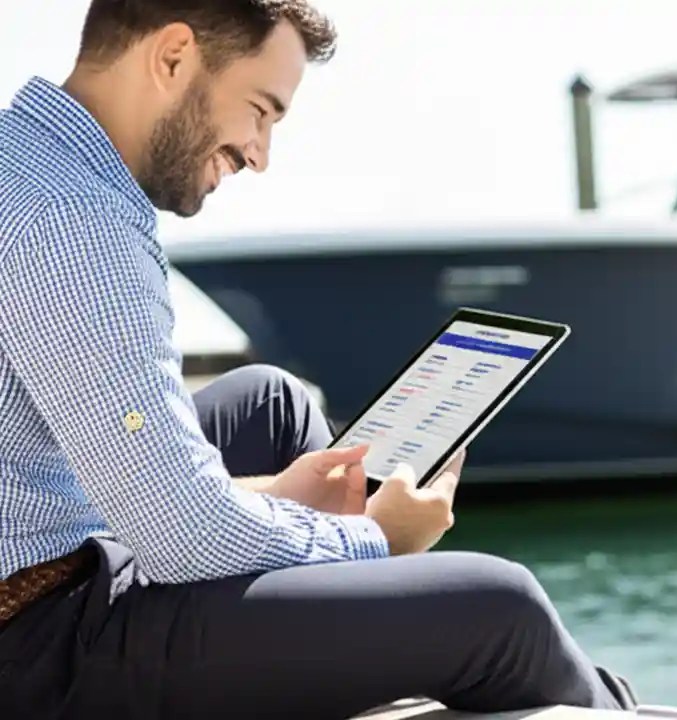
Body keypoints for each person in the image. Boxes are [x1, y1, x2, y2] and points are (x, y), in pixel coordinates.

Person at [0, 2, 640, 717]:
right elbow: (182, 536)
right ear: (173, 57)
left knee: (270, 405)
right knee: (500, 608)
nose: (259, 154)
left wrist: (278, 503)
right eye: (259, 111)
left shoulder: (24, 155)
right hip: (36, 641)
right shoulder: (73, 221)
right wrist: (375, 538)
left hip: (47, 560)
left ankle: (378, 640)